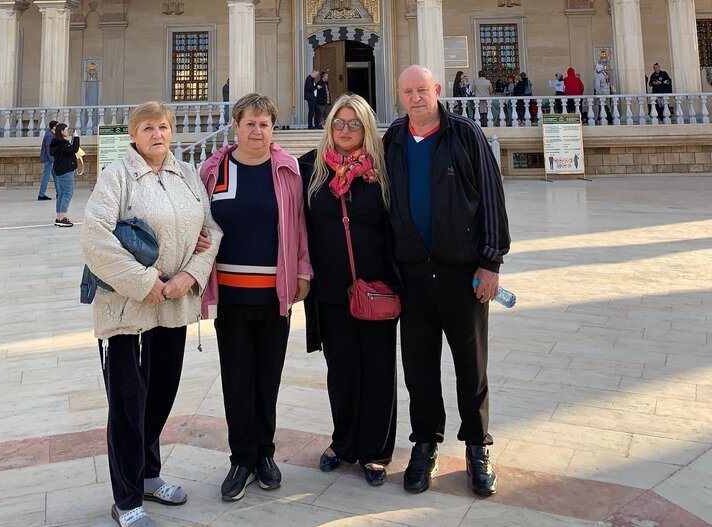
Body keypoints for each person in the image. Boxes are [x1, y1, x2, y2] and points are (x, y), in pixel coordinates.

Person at [81, 101, 221, 527]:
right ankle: (126, 499)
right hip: (128, 311)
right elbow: (95, 239)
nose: (157, 134)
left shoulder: (187, 175)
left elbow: (212, 231)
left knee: (160, 394)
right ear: (133, 134)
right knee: (128, 405)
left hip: (174, 306)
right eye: (148, 128)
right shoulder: (117, 176)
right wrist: (147, 283)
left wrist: (189, 276)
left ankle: (148, 474)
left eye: (163, 127)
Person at [383, 65, 510, 499]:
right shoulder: (394, 139)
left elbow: (491, 196)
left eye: (422, 89)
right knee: (419, 368)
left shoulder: (464, 134)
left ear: (436, 90)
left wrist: (490, 262)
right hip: (414, 277)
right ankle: (425, 444)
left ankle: (477, 447)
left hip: (462, 276)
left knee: (471, 367)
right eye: (408, 92)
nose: (416, 98)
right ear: (399, 96)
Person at [200, 93, 312, 502]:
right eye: (250, 123)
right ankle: (241, 459)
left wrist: (303, 269)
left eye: (264, 124)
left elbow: (299, 223)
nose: (257, 131)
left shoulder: (287, 170)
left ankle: (265, 453)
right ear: (236, 126)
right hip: (231, 297)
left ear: (272, 128)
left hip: (273, 295)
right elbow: (197, 222)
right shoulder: (212, 170)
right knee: (236, 380)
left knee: (267, 378)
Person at [299, 93, 397, 487]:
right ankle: (344, 443)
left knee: (378, 369)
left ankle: (375, 451)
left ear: (366, 127)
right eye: (338, 122)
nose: (345, 129)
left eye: (354, 123)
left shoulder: (384, 169)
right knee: (341, 370)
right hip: (330, 290)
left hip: (377, 289)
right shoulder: (311, 168)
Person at [49, 122, 80, 227]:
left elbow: (69, 151)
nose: (68, 132)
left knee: (62, 193)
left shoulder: (57, 142)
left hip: (61, 170)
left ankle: (59, 216)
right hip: (66, 170)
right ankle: (62, 218)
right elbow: (74, 149)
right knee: (67, 193)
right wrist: (76, 138)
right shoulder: (62, 143)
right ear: (62, 131)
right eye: (66, 130)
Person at [37, 118, 59, 200]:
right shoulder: (49, 135)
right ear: (54, 127)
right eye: (57, 126)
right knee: (46, 177)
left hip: (52, 159)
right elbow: (48, 149)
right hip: (49, 160)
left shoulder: (52, 134)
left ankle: (59, 193)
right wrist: (52, 159)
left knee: (56, 176)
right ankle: (41, 194)